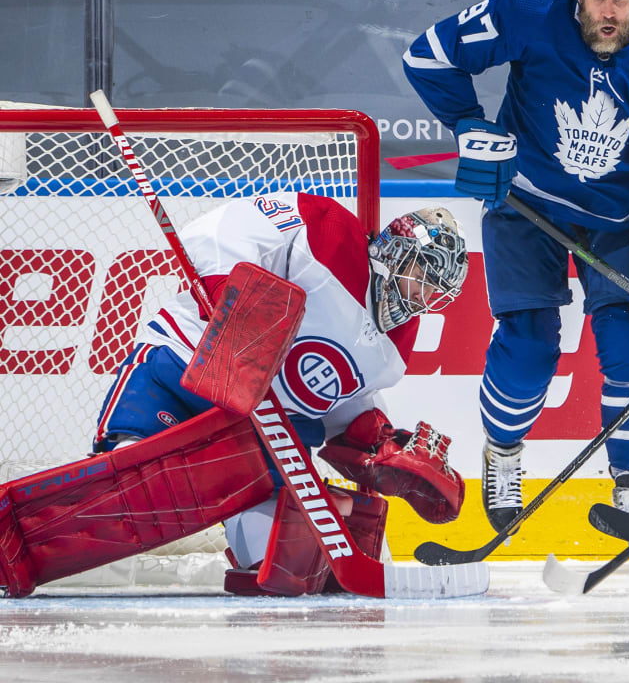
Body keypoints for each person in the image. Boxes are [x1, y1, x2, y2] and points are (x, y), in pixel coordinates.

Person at [402, 0, 629, 569]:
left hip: (622, 221)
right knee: (528, 348)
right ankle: (504, 453)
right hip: (525, 203)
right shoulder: (529, 9)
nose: (608, 12)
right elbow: (429, 57)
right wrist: (470, 128)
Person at [94, 193, 470, 594]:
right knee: (126, 485)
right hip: (185, 373)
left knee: (281, 569)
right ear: (395, 251)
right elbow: (216, 230)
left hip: (263, 437)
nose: (422, 297)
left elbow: (344, 405)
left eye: (435, 290)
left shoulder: (393, 352)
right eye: (422, 276)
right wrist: (232, 291)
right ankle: (93, 499)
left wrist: (376, 442)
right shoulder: (328, 229)